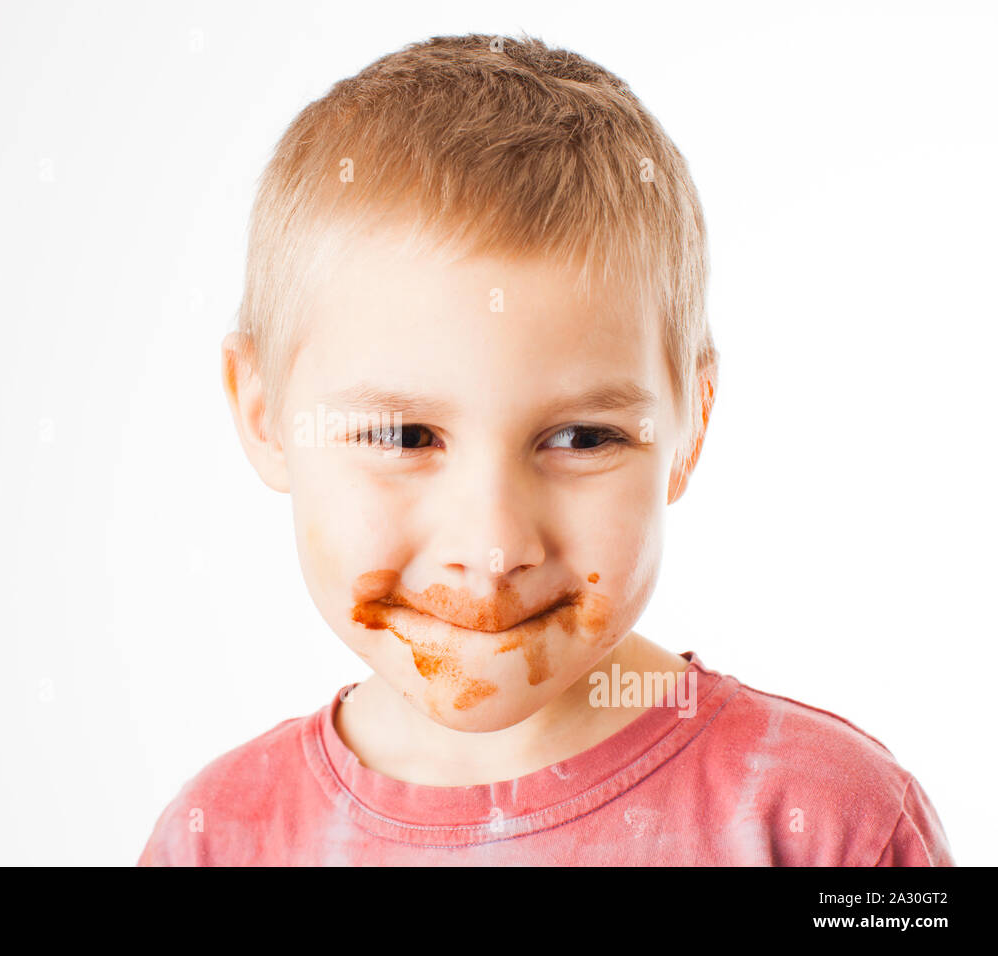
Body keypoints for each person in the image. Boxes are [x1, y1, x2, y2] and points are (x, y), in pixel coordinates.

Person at [138, 33, 953, 866]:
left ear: (692, 426)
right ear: (264, 413)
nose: (492, 547)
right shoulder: (216, 840)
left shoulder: (833, 827)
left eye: (581, 438)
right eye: (403, 436)